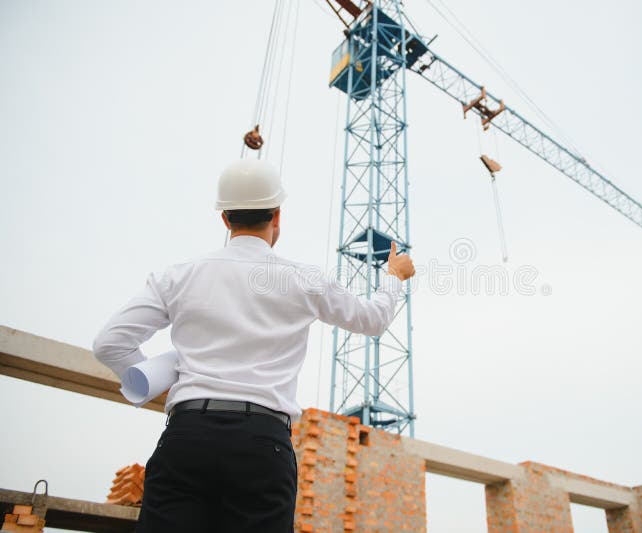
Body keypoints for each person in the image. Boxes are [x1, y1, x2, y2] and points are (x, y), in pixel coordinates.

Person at [93, 158, 415, 532]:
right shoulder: (302, 279)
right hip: (263, 444)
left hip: (188, 435)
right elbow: (372, 320)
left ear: (225, 219)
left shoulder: (178, 275)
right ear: (277, 215)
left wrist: (164, 389)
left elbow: (109, 344)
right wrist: (394, 276)